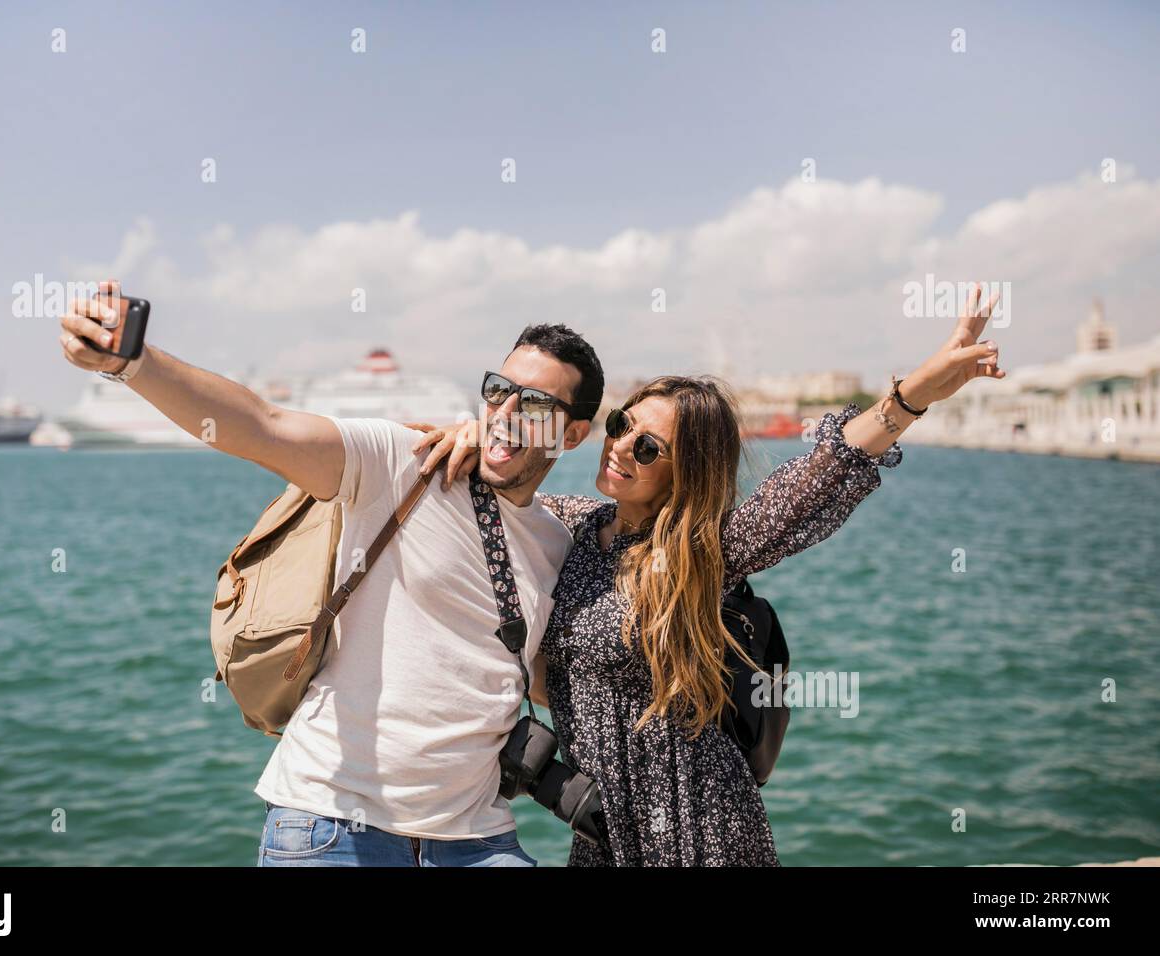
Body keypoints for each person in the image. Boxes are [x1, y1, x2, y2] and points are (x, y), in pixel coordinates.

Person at [413, 283, 1005, 865]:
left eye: (649, 448)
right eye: (620, 425)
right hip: (601, 831)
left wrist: (913, 395)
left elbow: (817, 478)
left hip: (700, 828)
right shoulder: (570, 524)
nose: (620, 447)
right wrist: (472, 436)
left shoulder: (700, 552)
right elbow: (511, 490)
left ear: (685, 470)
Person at [57, 281, 605, 866]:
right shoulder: (401, 462)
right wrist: (133, 362)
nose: (506, 414)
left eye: (536, 405)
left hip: (476, 837)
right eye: (499, 391)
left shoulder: (557, 543)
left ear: (573, 434)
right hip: (333, 825)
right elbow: (261, 424)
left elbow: (532, 675)